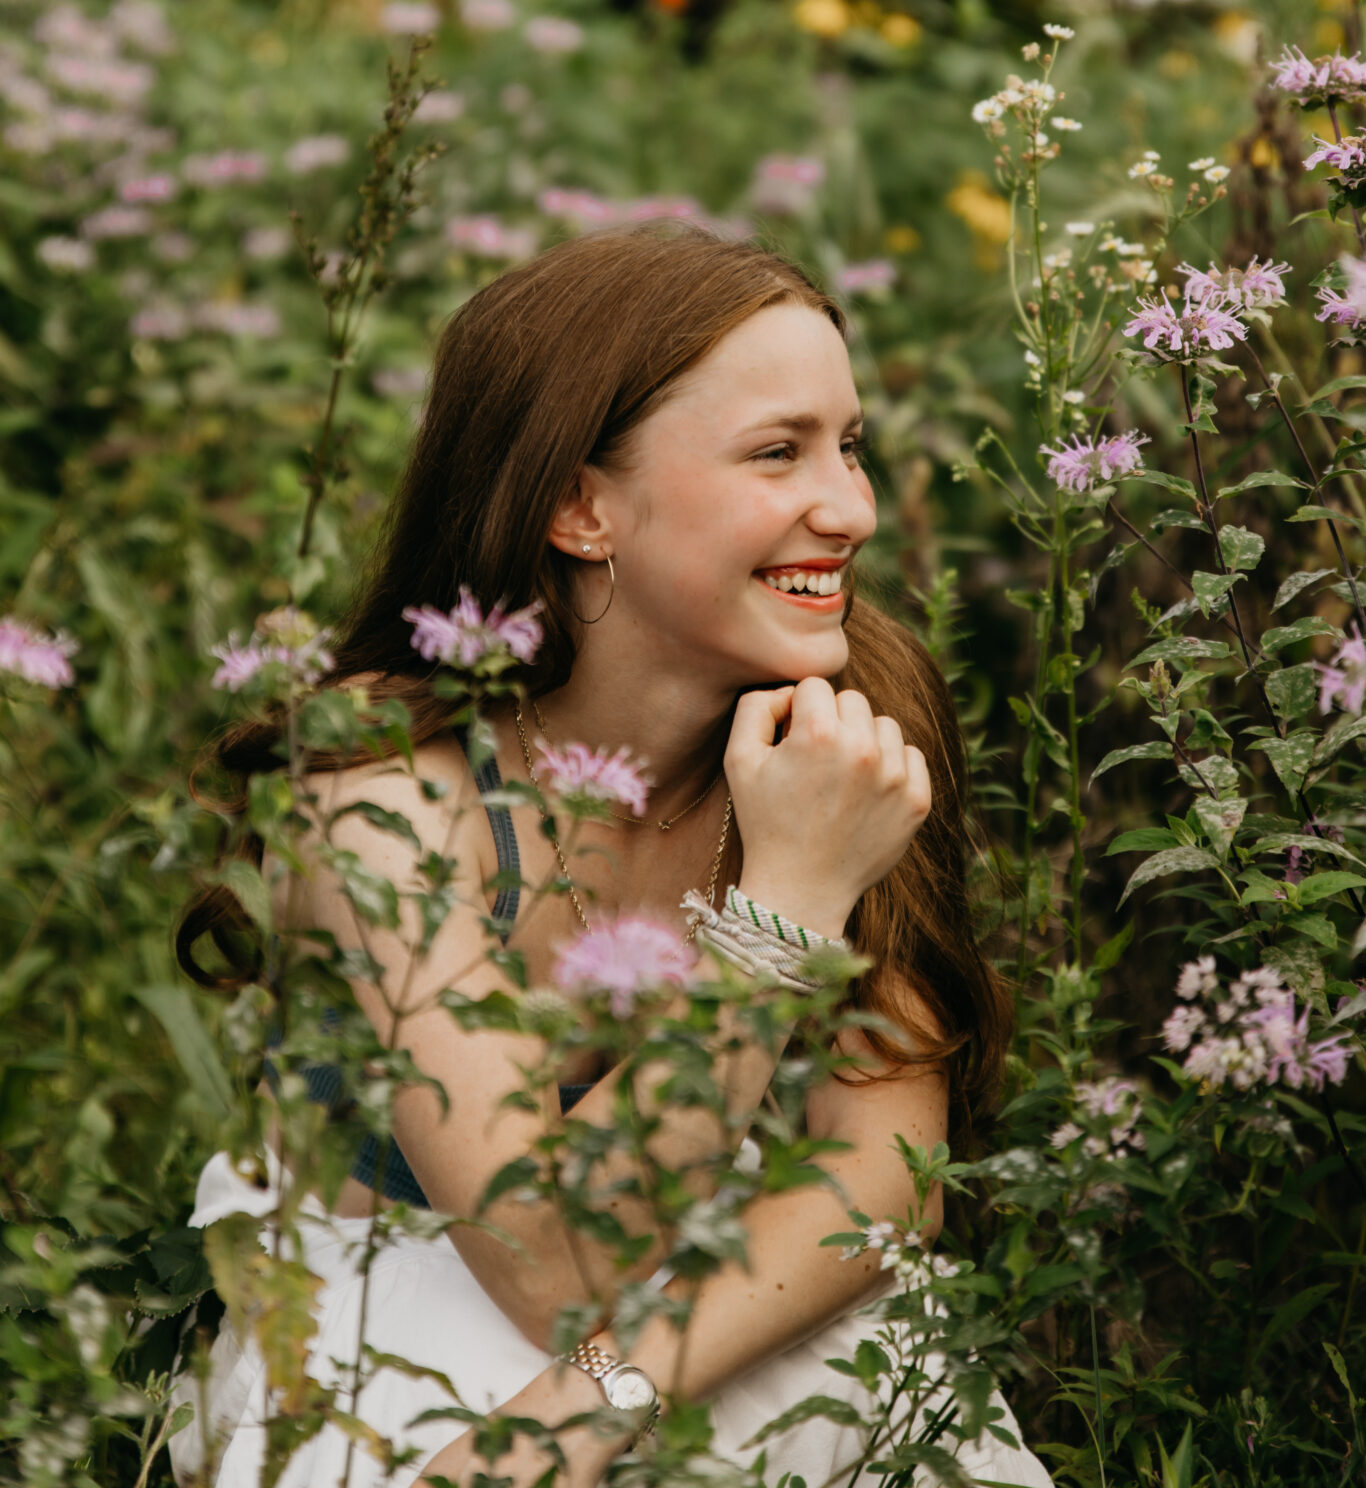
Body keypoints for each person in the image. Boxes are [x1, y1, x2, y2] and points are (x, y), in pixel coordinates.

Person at [169, 226, 1052, 1488]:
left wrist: (586, 1411)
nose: (850, 507)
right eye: (777, 451)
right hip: (389, 1317)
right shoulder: (378, 782)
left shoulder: (849, 721)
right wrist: (788, 904)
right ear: (582, 506)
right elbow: (547, 1260)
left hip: (716, 1297)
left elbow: (880, 1183)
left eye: (849, 444)